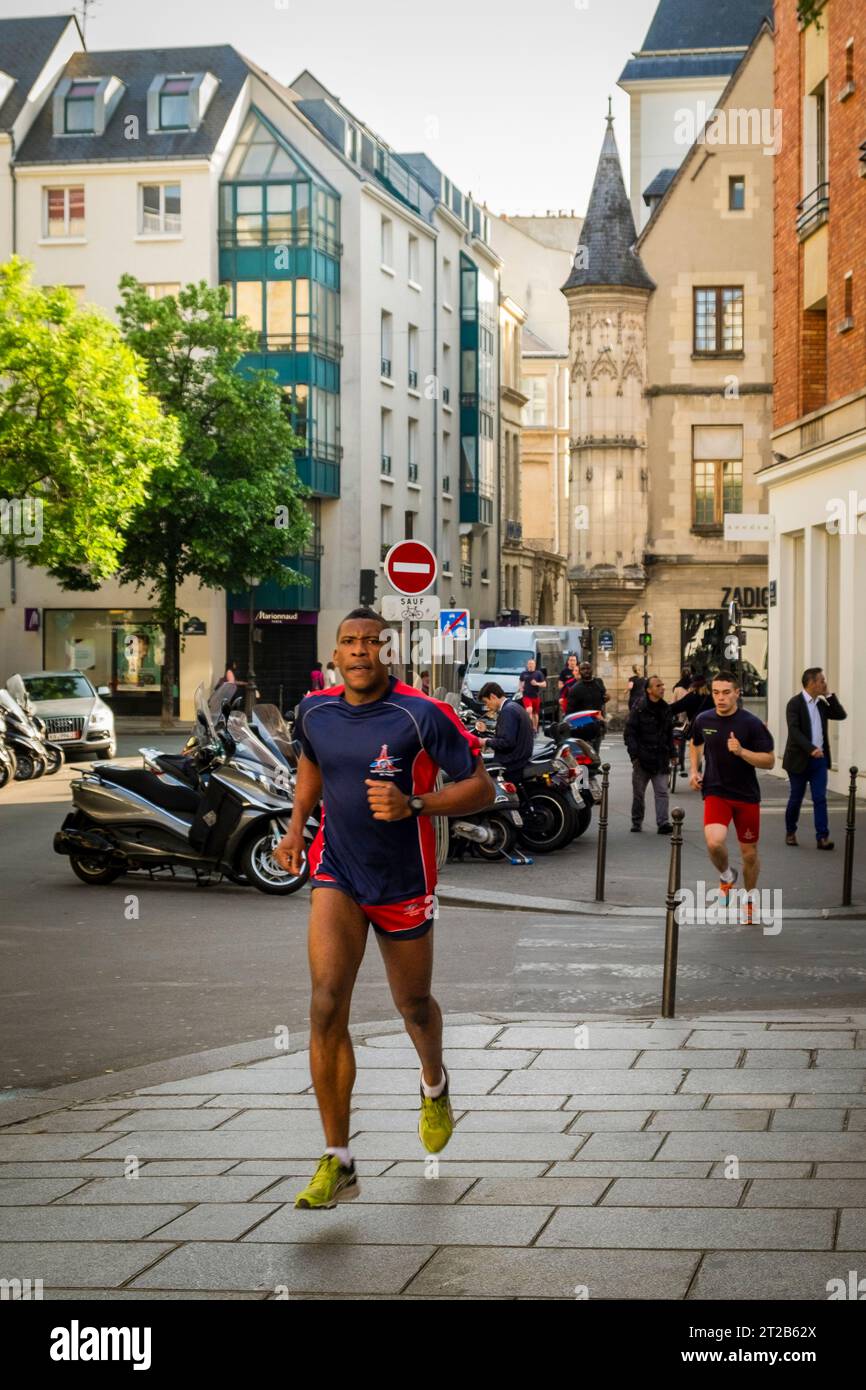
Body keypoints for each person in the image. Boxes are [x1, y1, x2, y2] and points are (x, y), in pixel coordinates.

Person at [273, 608, 495, 1210]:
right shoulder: (314, 710)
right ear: (336, 654)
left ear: (388, 652)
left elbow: (482, 787)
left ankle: (434, 1084)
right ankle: (338, 1159)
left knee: (413, 1005)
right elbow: (311, 766)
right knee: (324, 1003)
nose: (360, 651)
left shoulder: (421, 715)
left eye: (372, 642)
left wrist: (416, 804)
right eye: (349, 642)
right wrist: (296, 831)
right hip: (336, 869)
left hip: (403, 879)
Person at [689, 671, 775, 926]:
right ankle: (727, 876)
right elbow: (694, 743)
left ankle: (749, 899)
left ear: (737, 693)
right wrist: (694, 771)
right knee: (714, 842)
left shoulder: (751, 723)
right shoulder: (703, 719)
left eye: (726, 692)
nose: (720, 697)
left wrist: (742, 751)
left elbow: (769, 760)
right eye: (716, 692)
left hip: (746, 795)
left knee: (749, 854)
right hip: (716, 791)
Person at [782, 668, 847, 850]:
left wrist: (829, 695)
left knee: (820, 798)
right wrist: (811, 749)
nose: (824, 683)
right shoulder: (794, 704)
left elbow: (841, 715)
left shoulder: (821, 704)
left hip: (819, 761)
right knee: (796, 797)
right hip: (798, 760)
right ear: (811, 683)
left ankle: (822, 837)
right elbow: (794, 731)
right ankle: (790, 831)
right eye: (822, 681)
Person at [623, 675, 674, 833]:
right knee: (638, 794)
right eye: (658, 686)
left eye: (663, 685)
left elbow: (669, 734)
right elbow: (629, 733)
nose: (662, 688)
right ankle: (636, 822)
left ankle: (663, 823)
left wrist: (673, 753)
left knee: (662, 792)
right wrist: (634, 756)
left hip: (660, 757)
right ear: (649, 690)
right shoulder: (639, 707)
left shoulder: (666, 708)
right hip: (642, 758)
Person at [475, 682, 535, 785]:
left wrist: (485, 742)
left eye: (486, 702)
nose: (487, 706)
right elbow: (508, 735)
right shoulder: (514, 706)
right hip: (519, 760)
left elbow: (507, 742)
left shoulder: (507, 711)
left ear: (493, 696)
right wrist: (487, 733)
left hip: (511, 764)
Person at [669, 673, 713, 772]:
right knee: (709, 754)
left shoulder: (691, 697)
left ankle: (698, 773)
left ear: (693, 685)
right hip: (712, 729)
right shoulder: (712, 697)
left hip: (696, 730)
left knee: (696, 749)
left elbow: (676, 707)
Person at [517, 656, 547, 731]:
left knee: (535, 713)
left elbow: (544, 684)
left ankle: (535, 729)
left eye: (532, 664)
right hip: (526, 696)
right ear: (527, 665)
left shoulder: (538, 673)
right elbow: (520, 682)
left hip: (535, 696)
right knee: (529, 710)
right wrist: (520, 688)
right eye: (529, 664)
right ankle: (529, 728)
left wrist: (536, 683)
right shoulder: (523, 673)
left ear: (535, 665)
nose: (530, 665)